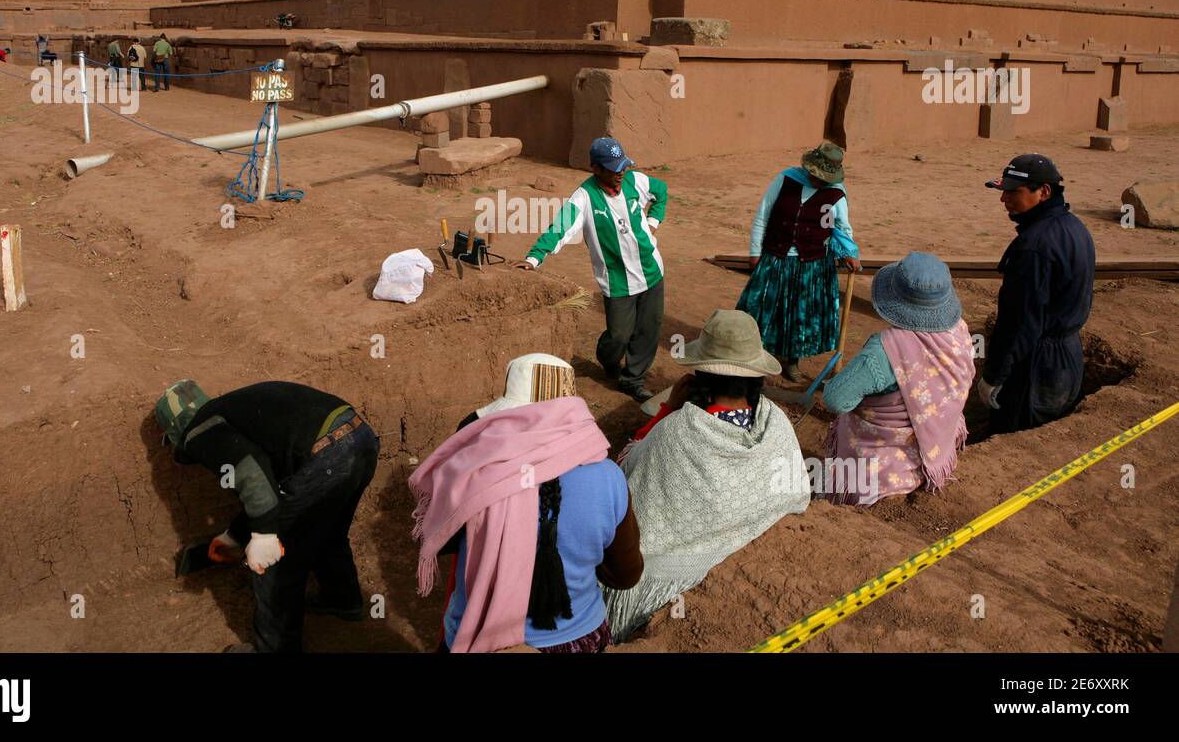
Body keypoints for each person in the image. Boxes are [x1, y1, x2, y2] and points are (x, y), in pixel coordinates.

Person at [411, 354, 642, 653]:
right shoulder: (609, 477)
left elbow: (446, 542)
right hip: (577, 638)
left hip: (479, 639)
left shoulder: (471, 472)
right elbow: (625, 576)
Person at [602, 309, 808, 642]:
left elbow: (625, 470)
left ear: (701, 376)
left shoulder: (676, 430)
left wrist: (667, 411)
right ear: (758, 376)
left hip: (658, 578)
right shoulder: (776, 422)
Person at [154, 379, 379, 652]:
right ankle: (342, 599)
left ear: (177, 430)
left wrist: (263, 538)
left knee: (274, 564)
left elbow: (253, 477)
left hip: (327, 455)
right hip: (360, 439)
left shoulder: (200, 430)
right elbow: (276, 489)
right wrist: (235, 536)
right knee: (327, 530)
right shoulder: (238, 411)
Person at [513, 137, 668, 402]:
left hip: (652, 270)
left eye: (623, 166)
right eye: (613, 168)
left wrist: (653, 222)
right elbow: (559, 228)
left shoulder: (635, 181)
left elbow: (661, 191)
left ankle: (633, 379)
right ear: (595, 168)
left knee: (648, 330)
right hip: (618, 282)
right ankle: (607, 358)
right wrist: (534, 257)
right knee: (618, 335)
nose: (620, 172)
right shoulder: (584, 198)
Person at [821, 252, 975, 505]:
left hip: (881, 470)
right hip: (936, 444)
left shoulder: (885, 349)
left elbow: (836, 399)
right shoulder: (959, 329)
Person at [978, 155, 1095, 433]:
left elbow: (1019, 323)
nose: (1003, 199)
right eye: (1003, 190)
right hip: (1066, 359)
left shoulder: (1035, 247)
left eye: (1013, 192)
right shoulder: (1073, 227)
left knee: (1015, 439)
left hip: (1036, 368)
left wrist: (994, 376)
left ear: (1043, 192)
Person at [738, 141, 861, 382]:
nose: (819, 181)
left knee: (800, 315)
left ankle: (792, 361)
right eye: (816, 175)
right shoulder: (786, 180)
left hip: (812, 264)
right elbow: (762, 215)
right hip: (775, 258)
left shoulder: (836, 194)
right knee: (762, 311)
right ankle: (756, 359)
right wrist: (755, 253)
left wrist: (849, 253)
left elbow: (841, 228)